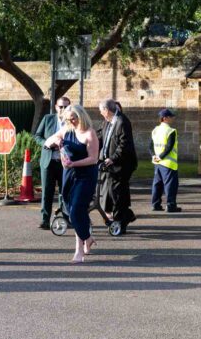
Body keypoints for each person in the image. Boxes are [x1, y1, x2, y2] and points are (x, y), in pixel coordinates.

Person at [47, 105, 100, 263]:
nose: (71, 121)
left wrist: (73, 164)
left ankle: (79, 248)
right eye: (68, 119)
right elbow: (49, 140)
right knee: (72, 211)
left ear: (81, 116)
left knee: (77, 209)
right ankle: (87, 239)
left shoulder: (90, 133)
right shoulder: (66, 130)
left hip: (85, 175)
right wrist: (56, 140)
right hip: (69, 175)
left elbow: (93, 159)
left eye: (74, 118)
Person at [98, 98, 138, 235]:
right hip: (109, 164)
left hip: (122, 164)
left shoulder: (122, 121)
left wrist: (113, 159)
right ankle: (127, 214)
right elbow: (100, 138)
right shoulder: (107, 122)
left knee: (117, 193)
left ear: (106, 110)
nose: (100, 113)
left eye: (101, 111)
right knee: (113, 193)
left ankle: (121, 222)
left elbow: (124, 144)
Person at [35, 96, 71, 229]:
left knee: (65, 191)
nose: (63, 109)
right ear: (56, 107)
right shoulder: (48, 119)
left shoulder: (72, 121)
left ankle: (67, 218)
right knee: (47, 192)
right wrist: (47, 143)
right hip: (48, 161)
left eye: (66, 106)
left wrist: (63, 144)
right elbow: (37, 136)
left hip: (64, 162)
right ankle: (45, 220)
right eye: (61, 106)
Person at [150, 108, 181, 213]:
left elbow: (150, 145)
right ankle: (171, 205)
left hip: (157, 163)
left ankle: (155, 204)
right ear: (165, 118)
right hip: (168, 163)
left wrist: (154, 155)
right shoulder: (171, 131)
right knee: (170, 185)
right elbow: (169, 147)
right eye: (170, 116)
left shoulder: (155, 130)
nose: (172, 118)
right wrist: (161, 156)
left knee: (157, 184)